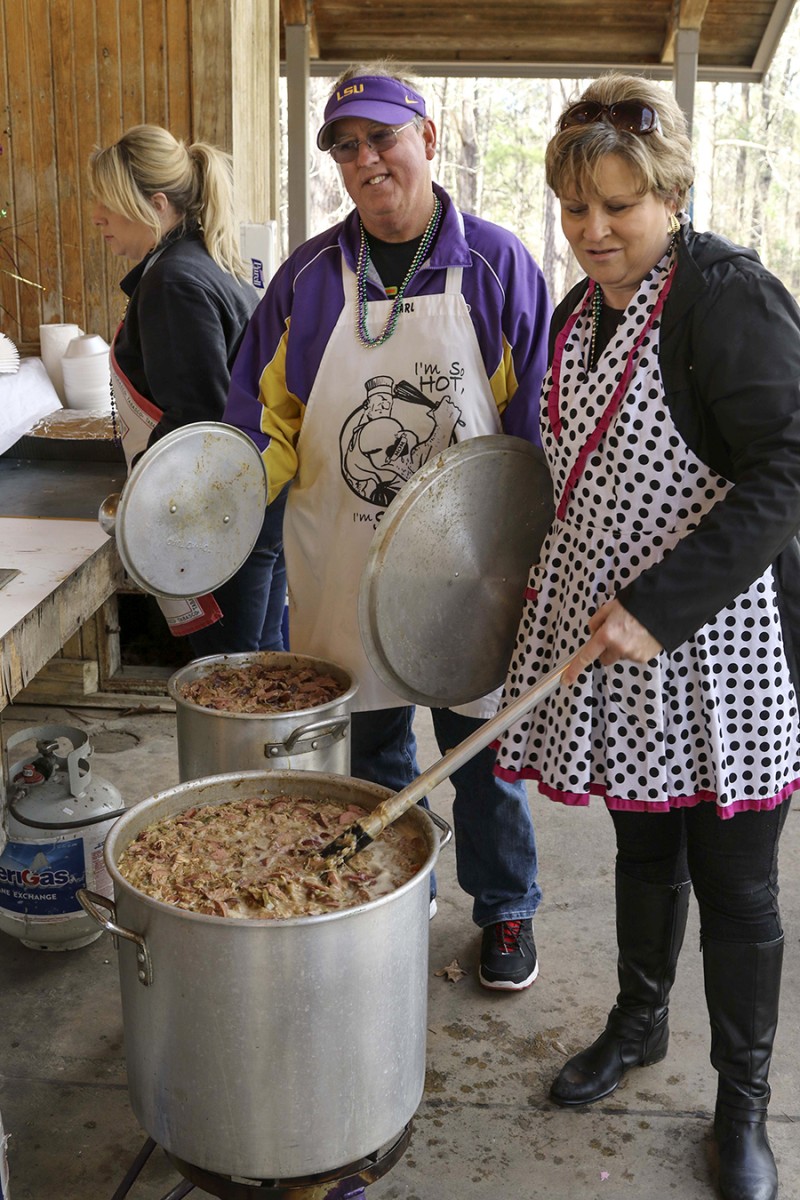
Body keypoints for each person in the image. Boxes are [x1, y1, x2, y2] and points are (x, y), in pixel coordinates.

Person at [493, 72, 800, 1200]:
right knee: (640, 848)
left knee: (736, 889)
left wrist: (661, 608)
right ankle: (637, 1024)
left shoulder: (724, 298)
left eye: (616, 207)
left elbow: (785, 469)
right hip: (608, 646)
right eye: (574, 210)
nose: (591, 232)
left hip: (721, 650)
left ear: (668, 193)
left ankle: (742, 1108)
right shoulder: (581, 313)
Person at [224, 62, 553, 989]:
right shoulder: (307, 280)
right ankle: (392, 888)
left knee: (481, 748)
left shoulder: (495, 266)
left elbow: (535, 428)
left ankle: (507, 908)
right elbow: (263, 420)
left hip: (469, 569)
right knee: (369, 749)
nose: (367, 160)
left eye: (383, 138)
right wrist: (228, 492)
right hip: (343, 559)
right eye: (346, 146)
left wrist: (532, 555)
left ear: (429, 141)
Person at [89, 124, 287, 654]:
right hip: (257, 499)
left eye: (107, 204)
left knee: (229, 679)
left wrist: (143, 507)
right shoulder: (201, 259)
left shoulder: (173, 282)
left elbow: (198, 420)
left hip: (224, 512)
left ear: (156, 205)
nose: (97, 218)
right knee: (262, 666)